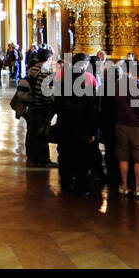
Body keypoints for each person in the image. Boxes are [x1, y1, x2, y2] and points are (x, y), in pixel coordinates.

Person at [53, 54, 100, 194]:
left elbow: (57, 104)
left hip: (64, 123)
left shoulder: (63, 81)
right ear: (84, 65)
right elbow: (90, 109)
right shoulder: (86, 82)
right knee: (81, 156)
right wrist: (92, 131)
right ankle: (80, 185)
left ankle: (65, 183)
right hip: (81, 126)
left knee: (65, 154)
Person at [115, 60, 139, 198]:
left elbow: (116, 103)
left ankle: (124, 186)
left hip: (122, 124)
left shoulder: (119, 85)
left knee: (123, 157)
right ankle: (137, 188)